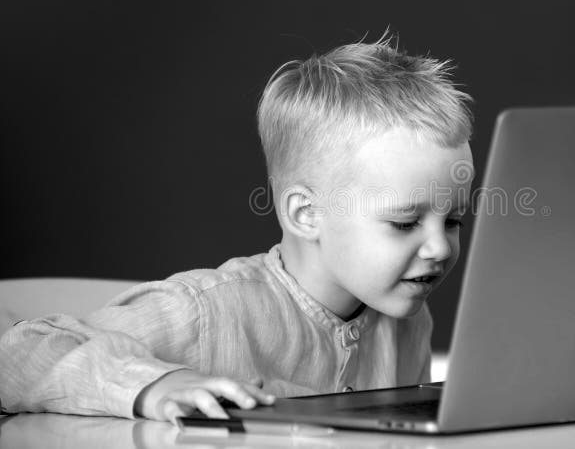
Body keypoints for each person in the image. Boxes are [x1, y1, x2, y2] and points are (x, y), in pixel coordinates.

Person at [0, 35, 475, 424]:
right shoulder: (205, 313)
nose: (438, 247)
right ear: (306, 214)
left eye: (453, 220)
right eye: (404, 223)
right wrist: (154, 385)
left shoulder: (407, 317)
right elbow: (15, 355)